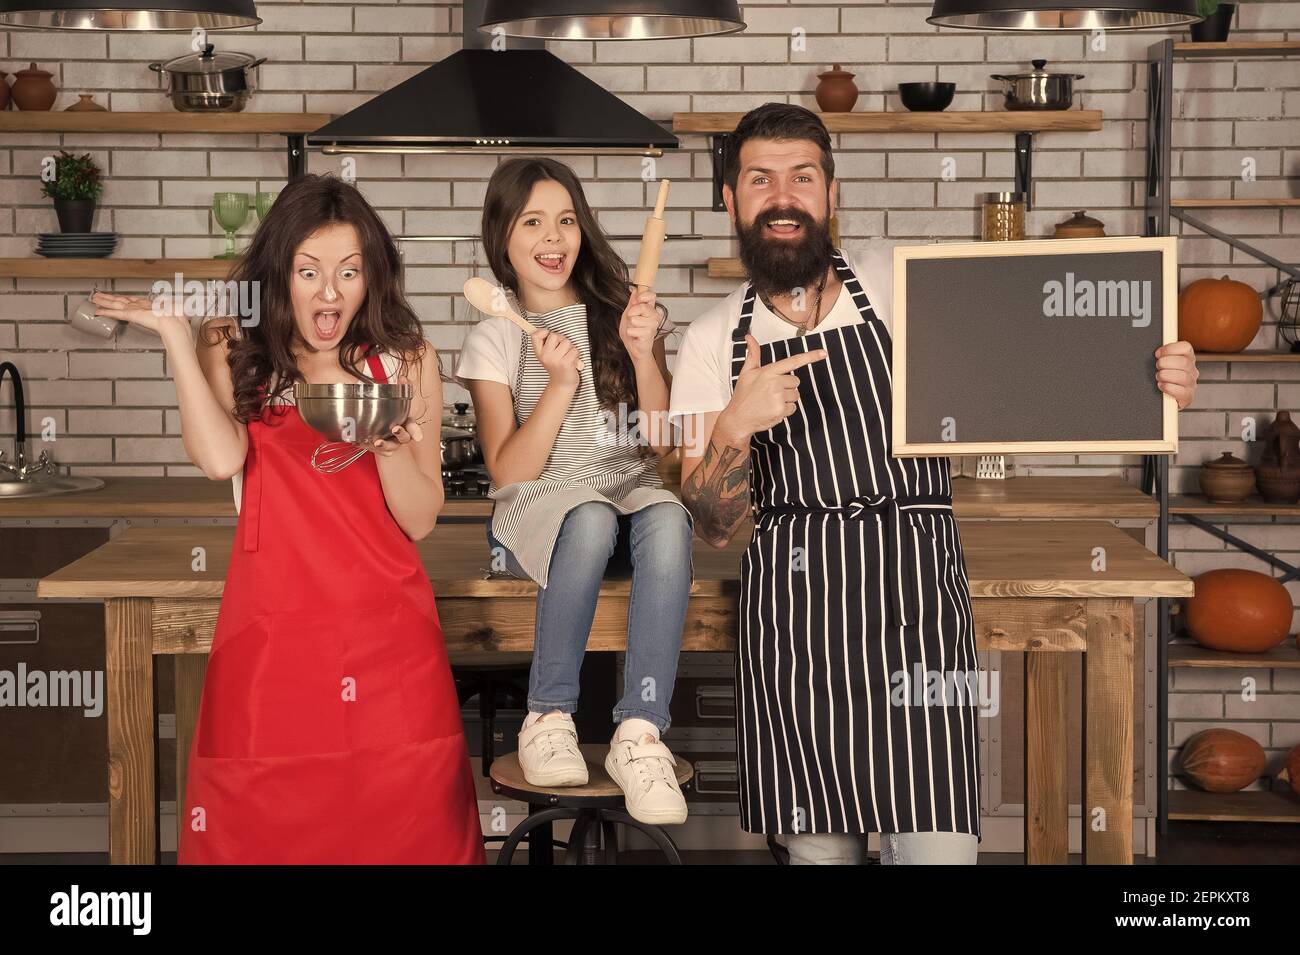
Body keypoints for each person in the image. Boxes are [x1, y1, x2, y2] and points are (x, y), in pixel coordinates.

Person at [668, 103, 1200, 865]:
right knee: (820, 853)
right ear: (730, 199)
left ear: (831, 192)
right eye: (759, 179)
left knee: (939, 847)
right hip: (796, 621)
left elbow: (1049, 346)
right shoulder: (711, 337)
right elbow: (712, 526)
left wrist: (1153, 375)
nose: (782, 196)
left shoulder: (903, 280)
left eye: (802, 177)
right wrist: (733, 427)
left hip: (917, 594)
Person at [91, 174, 485, 864]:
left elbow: (420, 518)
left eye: (348, 271)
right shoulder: (238, 349)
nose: (329, 292)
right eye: (309, 271)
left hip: (388, 639)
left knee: (404, 828)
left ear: (372, 276)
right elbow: (220, 459)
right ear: (281, 274)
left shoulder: (406, 358)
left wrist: (390, 450)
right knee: (262, 827)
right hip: (271, 640)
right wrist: (178, 342)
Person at [456, 158, 693, 825]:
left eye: (566, 219)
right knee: (586, 515)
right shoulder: (495, 337)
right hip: (540, 508)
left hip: (624, 494)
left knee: (670, 517)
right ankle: (547, 714)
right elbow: (508, 473)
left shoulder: (618, 317)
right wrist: (559, 386)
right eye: (532, 221)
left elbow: (659, 446)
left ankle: (639, 732)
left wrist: (645, 354)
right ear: (502, 235)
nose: (553, 236)